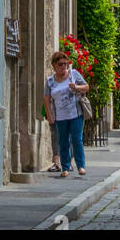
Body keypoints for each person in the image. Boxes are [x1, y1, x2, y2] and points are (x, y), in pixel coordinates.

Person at [44, 50, 89, 178]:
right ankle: (65, 167)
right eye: (60, 64)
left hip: (76, 113)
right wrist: (49, 115)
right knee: (62, 141)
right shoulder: (50, 81)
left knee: (77, 140)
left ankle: (81, 166)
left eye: (66, 64)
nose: (64, 66)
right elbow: (46, 99)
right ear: (54, 65)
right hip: (60, 116)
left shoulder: (73, 74)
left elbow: (86, 87)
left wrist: (76, 87)